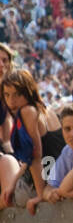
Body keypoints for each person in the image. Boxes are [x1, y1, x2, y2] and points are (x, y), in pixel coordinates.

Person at [1, 69, 50, 208]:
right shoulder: (42, 108)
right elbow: (29, 157)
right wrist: (12, 183)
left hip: (48, 175)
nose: (11, 101)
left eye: (17, 94)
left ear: (28, 92)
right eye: (7, 95)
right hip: (50, 170)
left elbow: (35, 155)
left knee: (6, 161)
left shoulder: (27, 111)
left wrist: (40, 195)